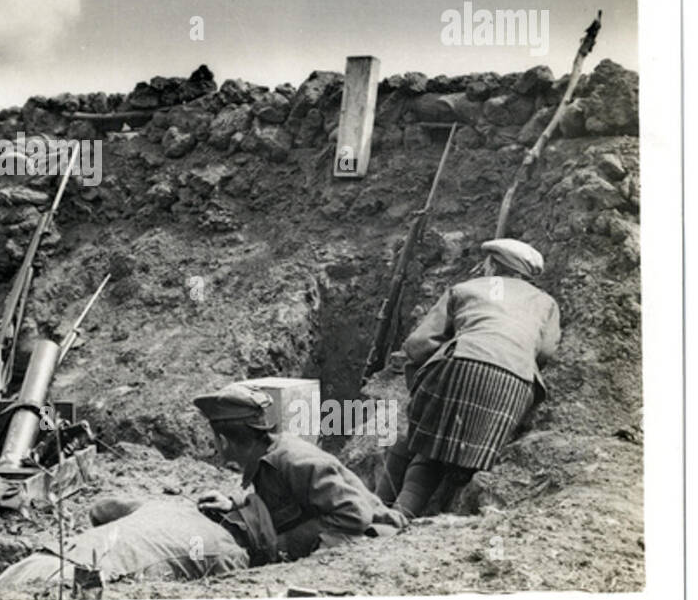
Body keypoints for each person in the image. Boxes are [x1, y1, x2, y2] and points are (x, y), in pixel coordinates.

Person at [376, 237, 561, 517]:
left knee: (424, 451)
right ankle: (401, 508)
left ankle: (387, 515)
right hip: (515, 386)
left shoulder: (465, 288)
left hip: (462, 367)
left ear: (492, 265)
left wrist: (421, 384)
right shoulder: (546, 303)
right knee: (439, 457)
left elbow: (418, 344)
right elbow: (545, 351)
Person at [193, 384, 407, 563]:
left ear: (223, 442)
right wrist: (235, 504)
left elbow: (354, 515)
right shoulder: (267, 457)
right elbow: (286, 500)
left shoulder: (295, 461)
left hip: (376, 540)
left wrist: (284, 545)